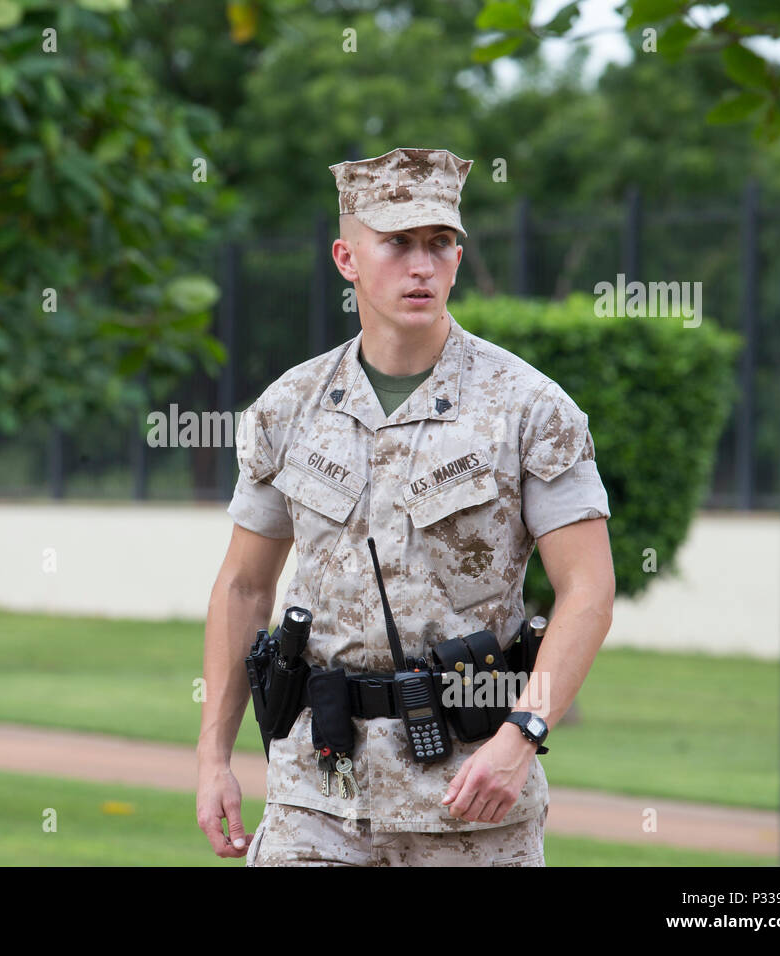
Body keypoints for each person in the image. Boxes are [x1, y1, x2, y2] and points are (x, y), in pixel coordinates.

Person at [195, 147, 616, 866]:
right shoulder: (287, 409)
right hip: (317, 793)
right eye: (397, 243)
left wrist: (524, 734)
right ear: (346, 258)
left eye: (439, 243)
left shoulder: (529, 408)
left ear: (457, 257)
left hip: (471, 796)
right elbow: (244, 585)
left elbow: (588, 587)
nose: (421, 265)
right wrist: (212, 758)